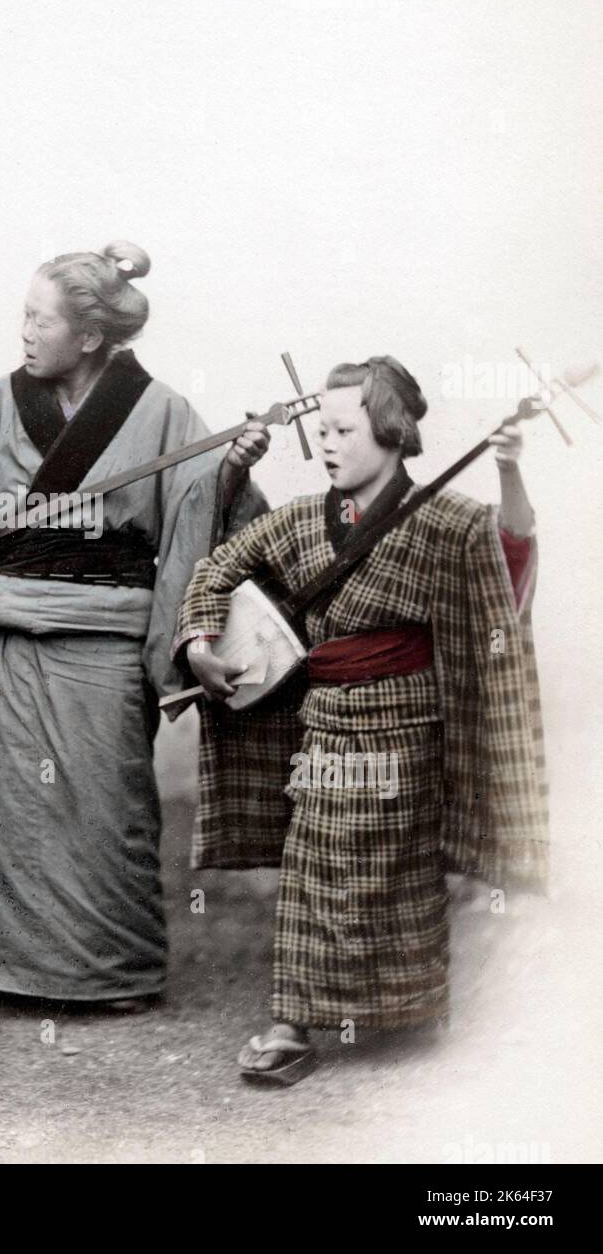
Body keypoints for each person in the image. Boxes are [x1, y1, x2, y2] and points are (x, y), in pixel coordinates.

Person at [0, 241, 271, 1005]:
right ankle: (25, 970)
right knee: (22, 809)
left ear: (89, 337)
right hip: (15, 636)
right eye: (23, 316)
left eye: (40, 320)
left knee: (109, 808)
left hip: (110, 639)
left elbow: (199, 509)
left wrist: (232, 468)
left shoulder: (165, 411)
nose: (25, 333)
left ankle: (113, 970)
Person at [174, 356, 548, 1084]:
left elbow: (509, 555)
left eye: (342, 429)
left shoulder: (444, 520)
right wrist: (196, 644)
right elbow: (216, 568)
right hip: (323, 719)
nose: (326, 444)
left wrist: (507, 471)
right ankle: (291, 1022)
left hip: (409, 724)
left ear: (390, 431)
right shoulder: (299, 523)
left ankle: (401, 1007)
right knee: (313, 864)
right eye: (321, 429)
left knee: (395, 876)